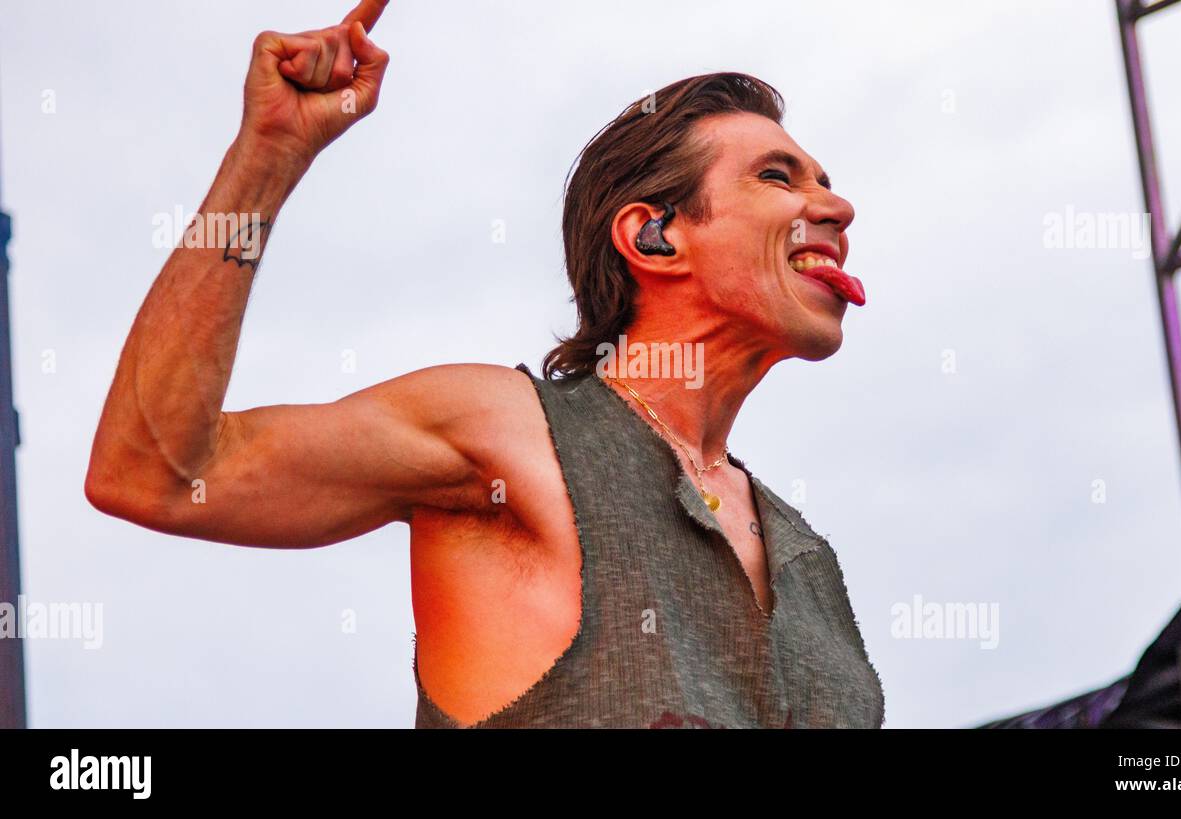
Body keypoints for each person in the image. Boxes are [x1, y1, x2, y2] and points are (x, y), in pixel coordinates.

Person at [85, 0, 885, 728]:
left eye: (825, 182)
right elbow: (152, 470)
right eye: (776, 178)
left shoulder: (808, 559)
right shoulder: (506, 434)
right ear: (653, 236)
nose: (836, 208)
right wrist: (267, 156)